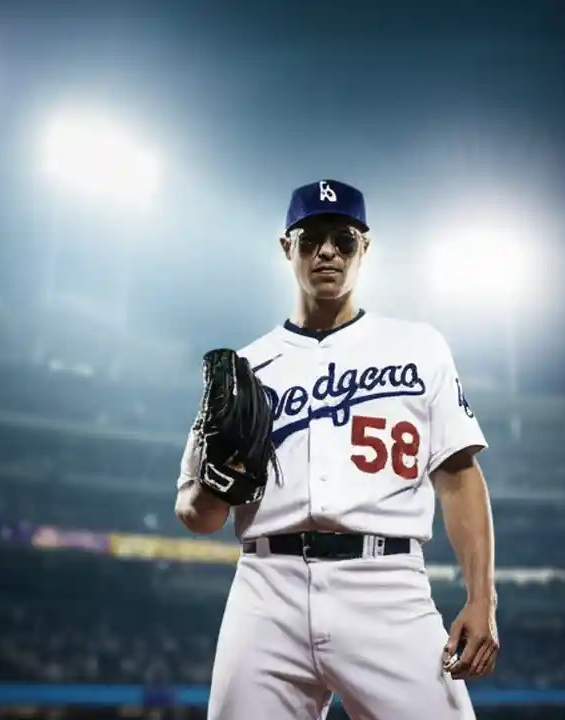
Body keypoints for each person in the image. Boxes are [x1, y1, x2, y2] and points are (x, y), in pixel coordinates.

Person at [175, 179, 497, 719]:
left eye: (343, 239)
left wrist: (482, 598)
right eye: (310, 239)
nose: (327, 251)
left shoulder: (418, 346)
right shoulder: (246, 370)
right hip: (265, 588)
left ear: (364, 249)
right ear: (287, 248)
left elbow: (460, 477)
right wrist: (219, 481)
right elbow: (194, 514)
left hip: (386, 584)